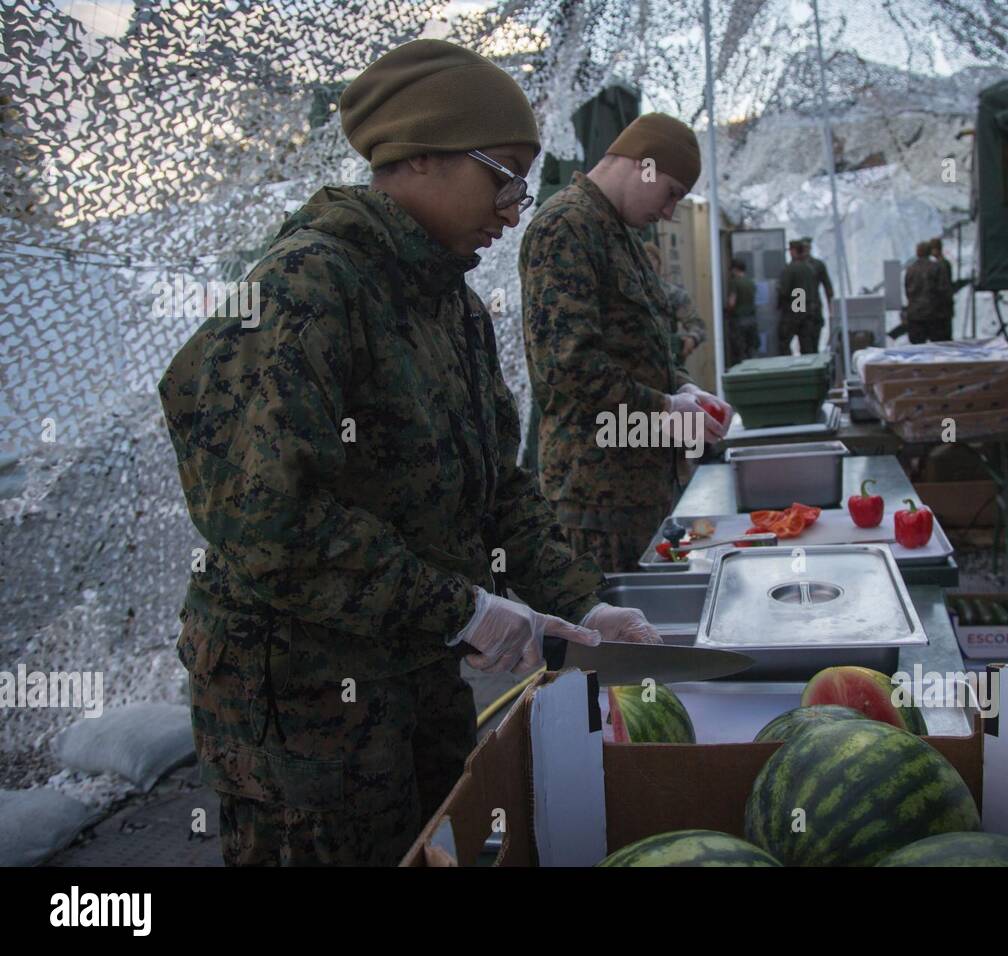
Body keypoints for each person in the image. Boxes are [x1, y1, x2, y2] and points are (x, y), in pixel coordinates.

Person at [157, 39, 660, 867]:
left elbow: (499, 487)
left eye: (522, 184)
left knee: (432, 846)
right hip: (305, 714)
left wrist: (582, 603)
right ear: (416, 156)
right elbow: (268, 523)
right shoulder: (301, 290)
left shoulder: (451, 308)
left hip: (414, 685)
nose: (512, 208)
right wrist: (463, 611)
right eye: (500, 175)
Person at [520, 113, 734, 574]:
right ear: (646, 166)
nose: (668, 211)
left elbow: (640, 350)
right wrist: (664, 408)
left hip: (641, 490)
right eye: (672, 192)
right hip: (595, 500)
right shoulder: (566, 227)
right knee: (609, 642)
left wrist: (683, 390)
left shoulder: (622, 237)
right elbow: (567, 364)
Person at [643, 240, 707, 364]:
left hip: (666, 362)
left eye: (652, 258)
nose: (648, 263)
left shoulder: (672, 294)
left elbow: (697, 324)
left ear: (659, 264)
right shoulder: (626, 294)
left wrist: (692, 338)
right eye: (643, 258)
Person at [776, 238, 819, 355]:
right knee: (806, 344)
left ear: (794, 251)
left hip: (794, 309)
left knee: (784, 341)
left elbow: (783, 290)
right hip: (808, 309)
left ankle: (787, 368)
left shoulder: (790, 269)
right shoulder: (810, 268)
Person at [903, 239, 943, 344]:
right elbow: (942, 290)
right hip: (933, 314)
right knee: (938, 349)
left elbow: (907, 290)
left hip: (915, 315)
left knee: (917, 349)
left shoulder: (910, 269)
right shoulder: (936, 267)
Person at [725, 258, 758, 365]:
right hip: (752, 320)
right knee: (750, 349)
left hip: (739, 321)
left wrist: (727, 311)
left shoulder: (735, 282)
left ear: (735, 269)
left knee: (739, 352)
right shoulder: (751, 282)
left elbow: (732, 302)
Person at [928, 236, 955, 342]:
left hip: (941, 309)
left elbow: (942, 287)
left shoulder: (940, 265)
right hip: (945, 308)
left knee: (941, 338)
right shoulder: (944, 263)